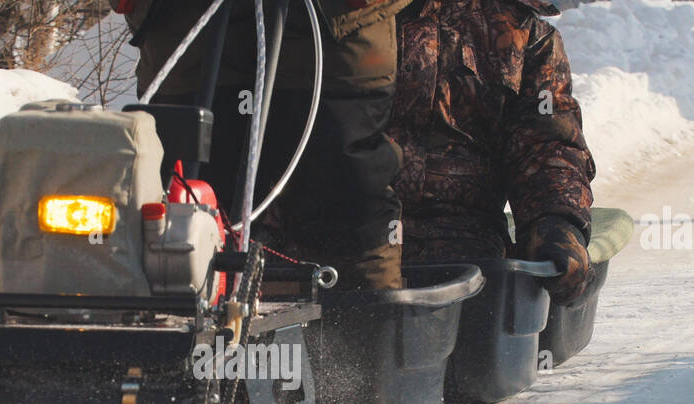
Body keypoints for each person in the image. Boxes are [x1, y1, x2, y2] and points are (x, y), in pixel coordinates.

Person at [112, 0, 414, 289]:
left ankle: (362, 331)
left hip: (331, 27)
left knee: (343, 192)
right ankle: (183, 329)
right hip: (187, 25)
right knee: (188, 204)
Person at [389, 0, 597, 304]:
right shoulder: (335, 18)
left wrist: (556, 222)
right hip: (343, 245)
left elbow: (545, 144)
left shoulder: (525, 32)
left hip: (466, 253)